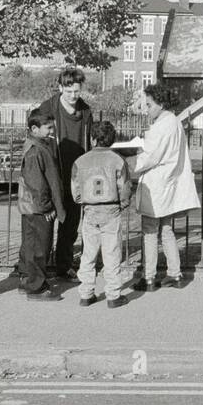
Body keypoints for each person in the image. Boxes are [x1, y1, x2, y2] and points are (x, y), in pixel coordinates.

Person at [129, 82, 200, 290]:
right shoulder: (174, 122)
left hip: (157, 183)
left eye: (149, 105)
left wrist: (131, 157)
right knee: (167, 229)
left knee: (150, 231)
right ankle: (175, 274)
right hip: (169, 183)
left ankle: (149, 277)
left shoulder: (161, 126)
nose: (147, 109)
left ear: (160, 104)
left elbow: (149, 156)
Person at [37, 67, 93, 278]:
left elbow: (89, 141)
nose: (72, 96)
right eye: (68, 92)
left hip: (77, 174)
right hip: (53, 172)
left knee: (70, 224)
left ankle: (64, 264)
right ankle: (39, 268)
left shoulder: (86, 111)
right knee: (47, 223)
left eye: (76, 92)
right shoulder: (48, 108)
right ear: (60, 88)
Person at [73, 120, 133, 308]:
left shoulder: (80, 161)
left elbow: (75, 189)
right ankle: (113, 294)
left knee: (88, 253)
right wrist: (123, 202)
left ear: (92, 139)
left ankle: (86, 292)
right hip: (111, 210)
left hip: (90, 210)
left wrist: (82, 200)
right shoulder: (117, 160)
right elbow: (125, 186)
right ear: (112, 140)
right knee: (112, 253)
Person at [17, 109, 65, 300]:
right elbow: (37, 184)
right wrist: (47, 207)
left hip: (31, 206)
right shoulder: (36, 151)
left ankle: (28, 279)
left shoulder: (35, 146)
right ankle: (36, 288)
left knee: (31, 245)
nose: (52, 131)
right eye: (48, 128)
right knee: (40, 248)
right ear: (34, 129)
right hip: (38, 208)